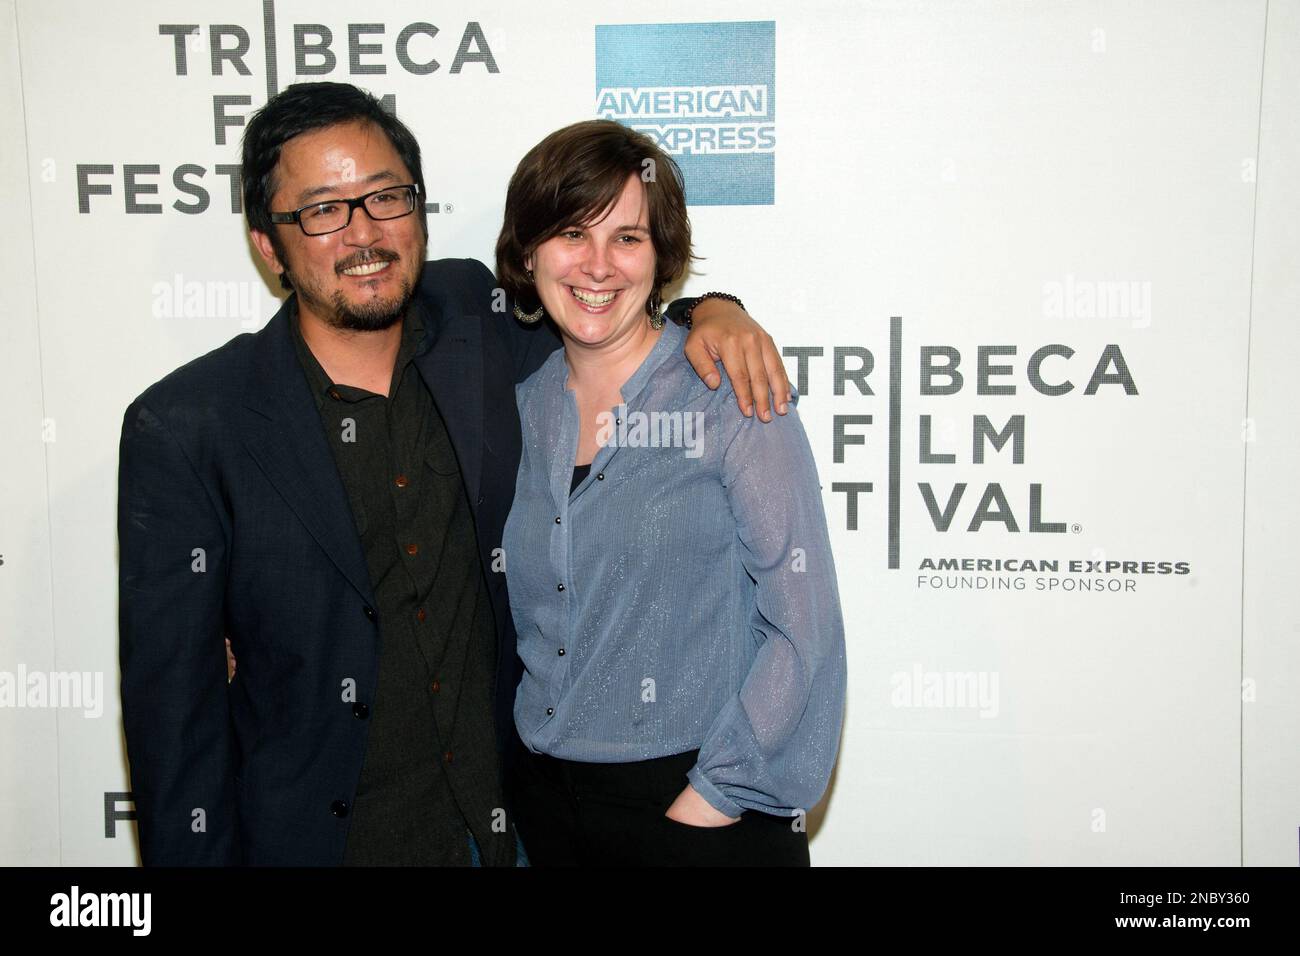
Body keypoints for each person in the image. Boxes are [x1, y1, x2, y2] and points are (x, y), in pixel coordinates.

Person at [117, 82, 790, 866]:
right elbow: (174, 724)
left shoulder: (477, 319)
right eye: (324, 209)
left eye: (386, 197)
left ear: (420, 209)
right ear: (270, 243)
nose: (364, 232)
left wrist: (712, 309)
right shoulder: (190, 425)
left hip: (510, 830)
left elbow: (602, 311)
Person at [498, 121, 847, 866]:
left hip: (695, 809)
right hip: (543, 809)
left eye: (627, 238)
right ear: (530, 254)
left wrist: (720, 794)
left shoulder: (726, 390)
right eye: (569, 234)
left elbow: (803, 617)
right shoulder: (523, 405)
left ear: (662, 256)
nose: (597, 266)